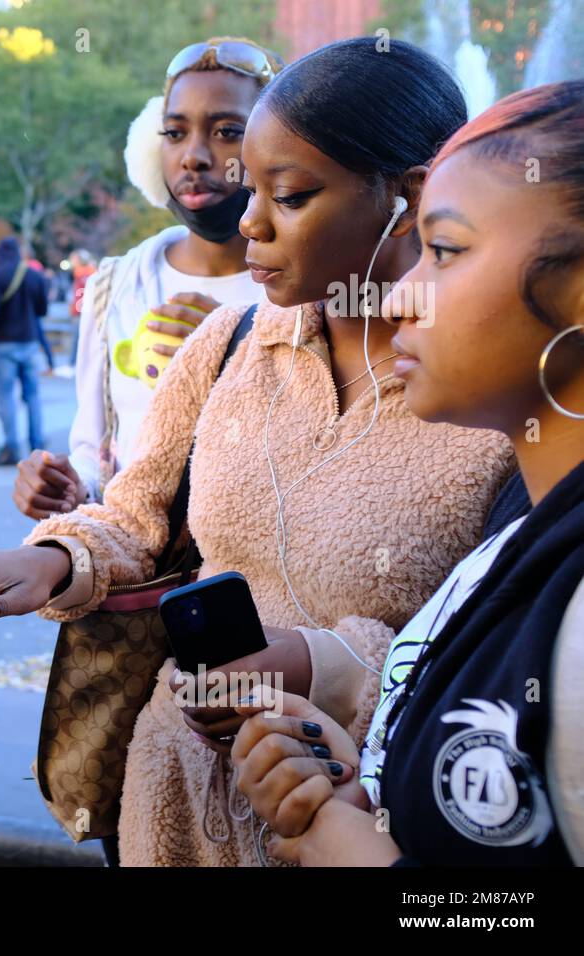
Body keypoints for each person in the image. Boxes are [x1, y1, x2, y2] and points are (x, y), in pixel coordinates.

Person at [0, 37, 515, 867]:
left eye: (289, 195)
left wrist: (314, 666)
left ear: (411, 197)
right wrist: (54, 562)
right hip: (172, 800)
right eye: (254, 187)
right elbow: (135, 514)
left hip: (361, 821)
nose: (248, 221)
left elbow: (497, 655)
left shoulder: (495, 401)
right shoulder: (227, 341)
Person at [232, 81, 584, 867]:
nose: (401, 296)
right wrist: (378, 781)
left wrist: (358, 858)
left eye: (447, 250)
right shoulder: (524, 527)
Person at [13, 37, 277, 521]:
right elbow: (95, 452)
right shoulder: (114, 286)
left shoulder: (310, 290)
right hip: (133, 579)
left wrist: (233, 355)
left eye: (226, 132)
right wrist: (69, 486)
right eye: (174, 133)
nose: (193, 156)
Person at [0, 236, 50, 465]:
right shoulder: (35, 276)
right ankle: (37, 443)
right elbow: (42, 309)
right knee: (32, 396)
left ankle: (11, 446)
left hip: (4, 344)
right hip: (29, 342)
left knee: (6, 396)